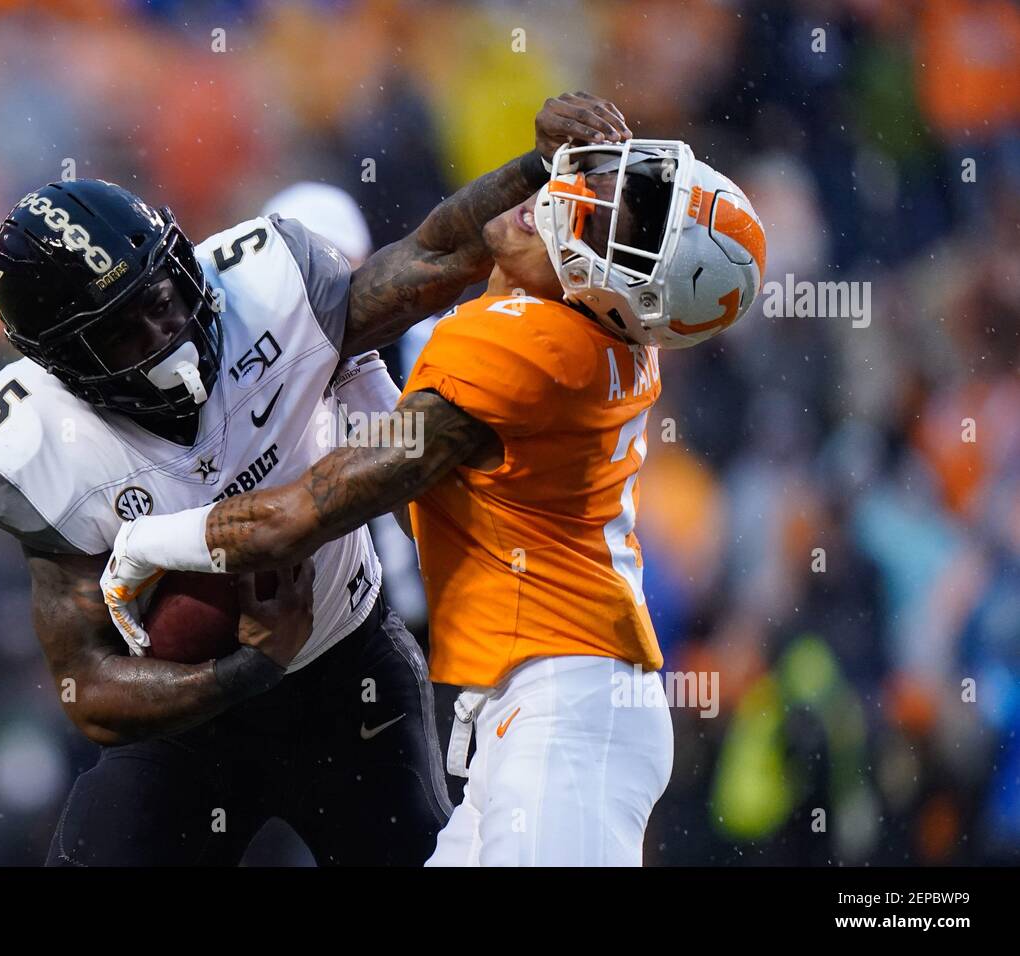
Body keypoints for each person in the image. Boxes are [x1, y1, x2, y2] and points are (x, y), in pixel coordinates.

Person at [0, 92, 633, 865]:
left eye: (164, 296)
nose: (167, 331)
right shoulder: (37, 447)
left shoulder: (267, 290)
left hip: (352, 679)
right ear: (66, 367)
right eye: (123, 331)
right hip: (187, 731)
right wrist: (251, 666)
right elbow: (91, 692)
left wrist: (541, 170)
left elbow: (441, 254)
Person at [99, 137, 767, 865]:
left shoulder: (527, 352)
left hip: (567, 711)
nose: (572, 197)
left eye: (609, 224)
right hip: (536, 703)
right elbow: (418, 454)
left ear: (618, 297)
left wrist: (145, 545)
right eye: (613, 185)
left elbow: (306, 514)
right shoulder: (581, 332)